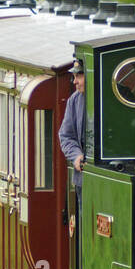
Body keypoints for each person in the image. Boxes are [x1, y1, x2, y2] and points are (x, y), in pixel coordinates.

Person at [59, 59, 86, 187]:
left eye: (79, 76)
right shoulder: (74, 100)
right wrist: (76, 156)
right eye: (74, 77)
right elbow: (66, 136)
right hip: (82, 178)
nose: (75, 81)